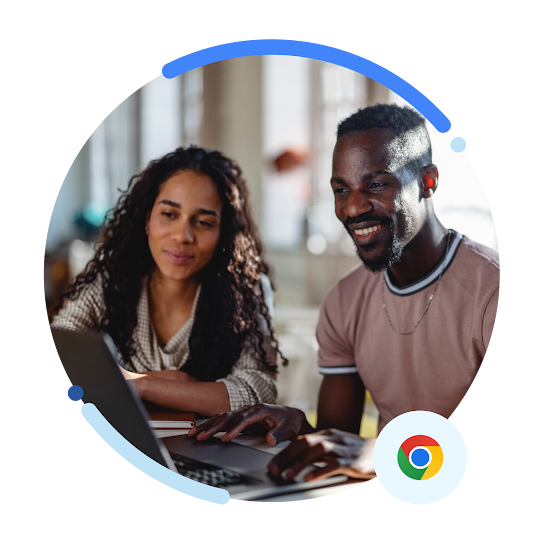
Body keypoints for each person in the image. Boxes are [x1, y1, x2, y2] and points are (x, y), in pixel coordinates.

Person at [188, 103, 500, 482]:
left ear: (427, 182)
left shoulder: (490, 290)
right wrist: (299, 427)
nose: (353, 207)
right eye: (341, 189)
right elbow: (340, 440)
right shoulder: (344, 301)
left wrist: (384, 454)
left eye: (376, 184)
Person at [49, 146, 286, 417]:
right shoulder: (111, 278)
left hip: (207, 450)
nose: (182, 235)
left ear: (224, 234)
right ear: (147, 219)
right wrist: (180, 385)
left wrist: (143, 384)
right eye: (169, 214)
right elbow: (63, 351)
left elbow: (259, 391)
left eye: (204, 222)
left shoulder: (245, 289)